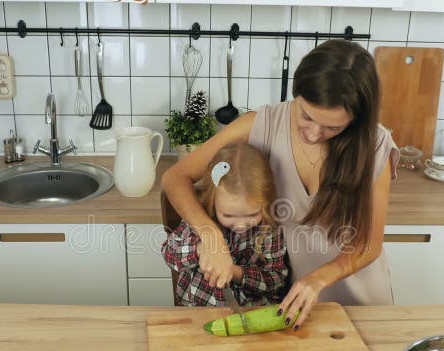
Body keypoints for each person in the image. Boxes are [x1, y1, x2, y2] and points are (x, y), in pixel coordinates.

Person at [161, 40, 398, 329]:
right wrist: (210, 234)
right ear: (296, 95)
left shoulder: (375, 147)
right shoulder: (261, 125)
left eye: (333, 128)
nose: (313, 134)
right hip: (290, 303)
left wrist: (319, 278)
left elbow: (368, 245)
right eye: (306, 116)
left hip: (361, 301)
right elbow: (175, 178)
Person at [161, 143, 289, 307]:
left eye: (252, 214)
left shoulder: (269, 230)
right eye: (228, 215)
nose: (241, 225)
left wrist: (236, 272)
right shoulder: (199, 220)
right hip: (198, 313)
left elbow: (277, 281)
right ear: (212, 201)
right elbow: (169, 254)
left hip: (251, 313)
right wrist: (200, 249)